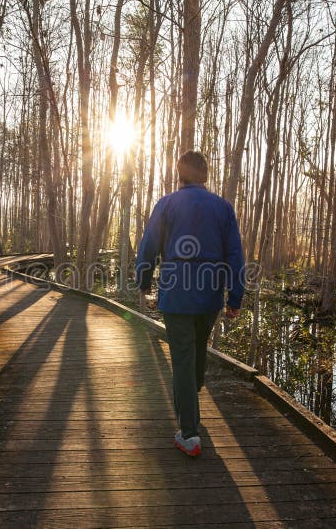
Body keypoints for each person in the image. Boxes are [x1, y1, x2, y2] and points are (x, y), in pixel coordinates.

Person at [135, 150, 245, 457]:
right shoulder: (223, 208)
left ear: (179, 174)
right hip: (210, 294)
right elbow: (235, 255)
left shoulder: (167, 204)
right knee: (196, 351)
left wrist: (143, 281)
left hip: (176, 292)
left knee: (183, 358)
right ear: (206, 176)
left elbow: (148, 247)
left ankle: (189, 434)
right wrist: (235, 296)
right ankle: (191, 399)